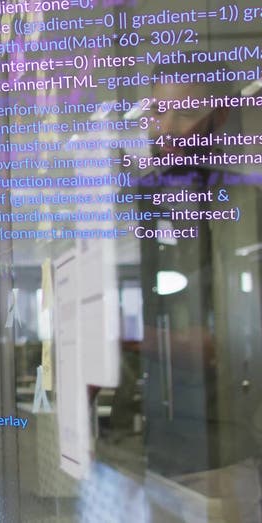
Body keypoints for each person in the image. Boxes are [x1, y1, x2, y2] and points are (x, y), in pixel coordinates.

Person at [115, 55, 262, 522]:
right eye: (158, 112)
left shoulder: (240, 202)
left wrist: (140, 342)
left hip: (222, 454)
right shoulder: (142, 202)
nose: (168, 128)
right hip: (153, 454)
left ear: (218, 117)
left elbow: (220, 342)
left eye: (184, 113)